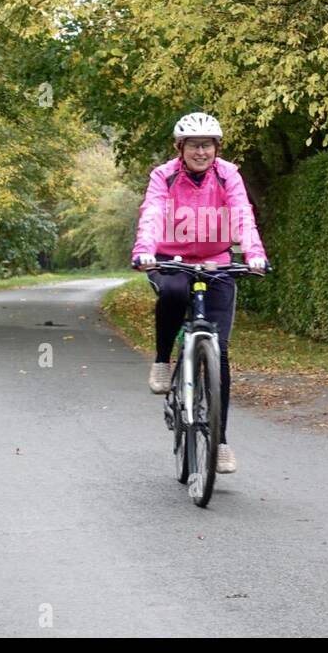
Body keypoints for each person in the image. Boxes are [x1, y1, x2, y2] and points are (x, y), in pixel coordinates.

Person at [132, 112, 268, 474]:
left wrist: (254, 254)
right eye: (194, 145)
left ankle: (220, 442)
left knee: (219, 352)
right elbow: (152, 213)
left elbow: (242, 213)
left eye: (207, 144)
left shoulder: (227, 175)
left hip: (216, 262)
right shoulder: (164, 175)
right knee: (174, 294)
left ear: (216, 148)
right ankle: (163, 361)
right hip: (171, 259)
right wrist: (144, 250)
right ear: (181, 148)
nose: (201, 151)